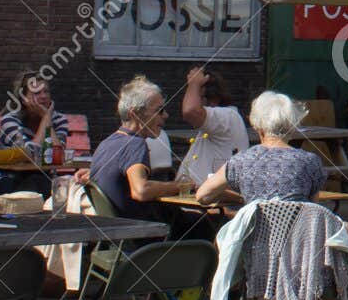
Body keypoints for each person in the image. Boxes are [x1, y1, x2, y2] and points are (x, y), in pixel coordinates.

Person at [89, 76, 190, 224]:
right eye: (159, 110)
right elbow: (141, 190)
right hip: (144, 236)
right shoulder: (135, 144)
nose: (166, 115)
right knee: (207, 223)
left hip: (115, 234)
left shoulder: (106, 143)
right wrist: (179, 186)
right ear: (135, 114)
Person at [197, 91, 327, 205]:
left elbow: (203, 196)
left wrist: (242, 199)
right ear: (292, 127)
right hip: (297, 232)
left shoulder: (241, 161)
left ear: (257, 127)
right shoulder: (310, 161)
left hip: (256, 232)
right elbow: (312, 208)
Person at [180, 66, 251, 184]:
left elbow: (190, 111)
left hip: (210, 200)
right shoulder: (219, 120)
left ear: (213, 98)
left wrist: (194, 84)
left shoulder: (227, 116)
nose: (194, 100)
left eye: (198, 97)